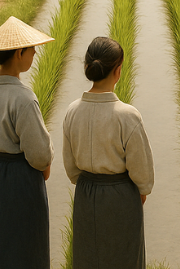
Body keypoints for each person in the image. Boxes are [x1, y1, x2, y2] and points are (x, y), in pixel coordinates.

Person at [63, 37, 155, 269]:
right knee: (124, 259)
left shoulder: (72, 111)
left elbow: (71, 167)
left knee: (87, 258)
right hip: (120, 197)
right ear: (118, 70)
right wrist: (139, 193)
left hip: (86, 194)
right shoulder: (127, 116)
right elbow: (142, 174)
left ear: (88, 67)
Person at [0, 16, 55, 269]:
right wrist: (44, 166)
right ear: (19, 53)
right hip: (21, 179)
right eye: (32, 49)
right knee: (25, 246)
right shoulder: (23, 98)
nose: (34, 54)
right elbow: (40, 156)